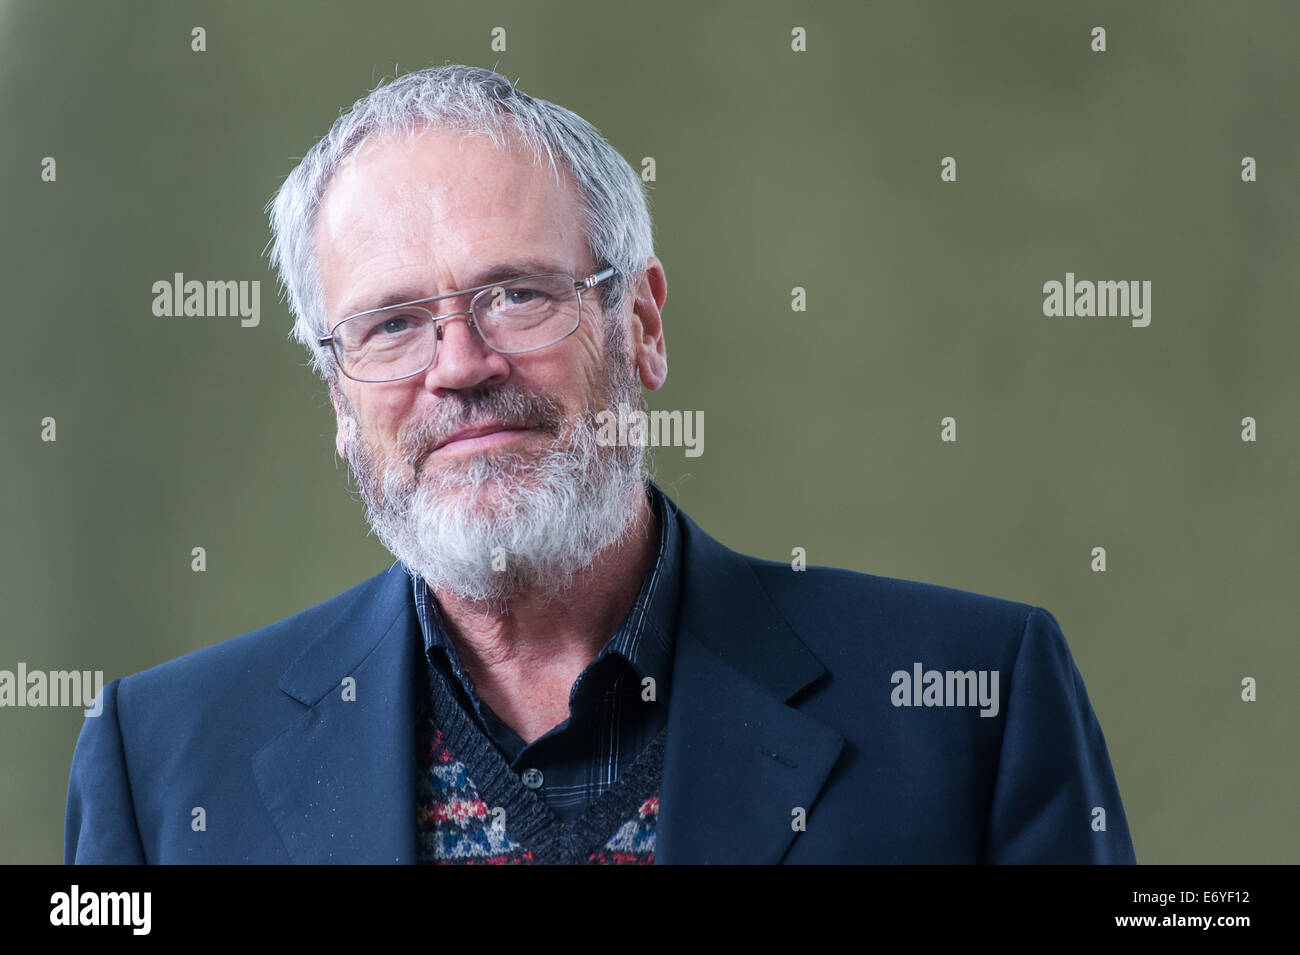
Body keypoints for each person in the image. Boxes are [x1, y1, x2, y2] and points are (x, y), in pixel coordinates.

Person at [65, 64, 1135, 864]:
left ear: (641, 325)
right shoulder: (159, 766)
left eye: (518, 295)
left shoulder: (971, 705)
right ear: (337, 396)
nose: (461, 367)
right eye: (390, 324)